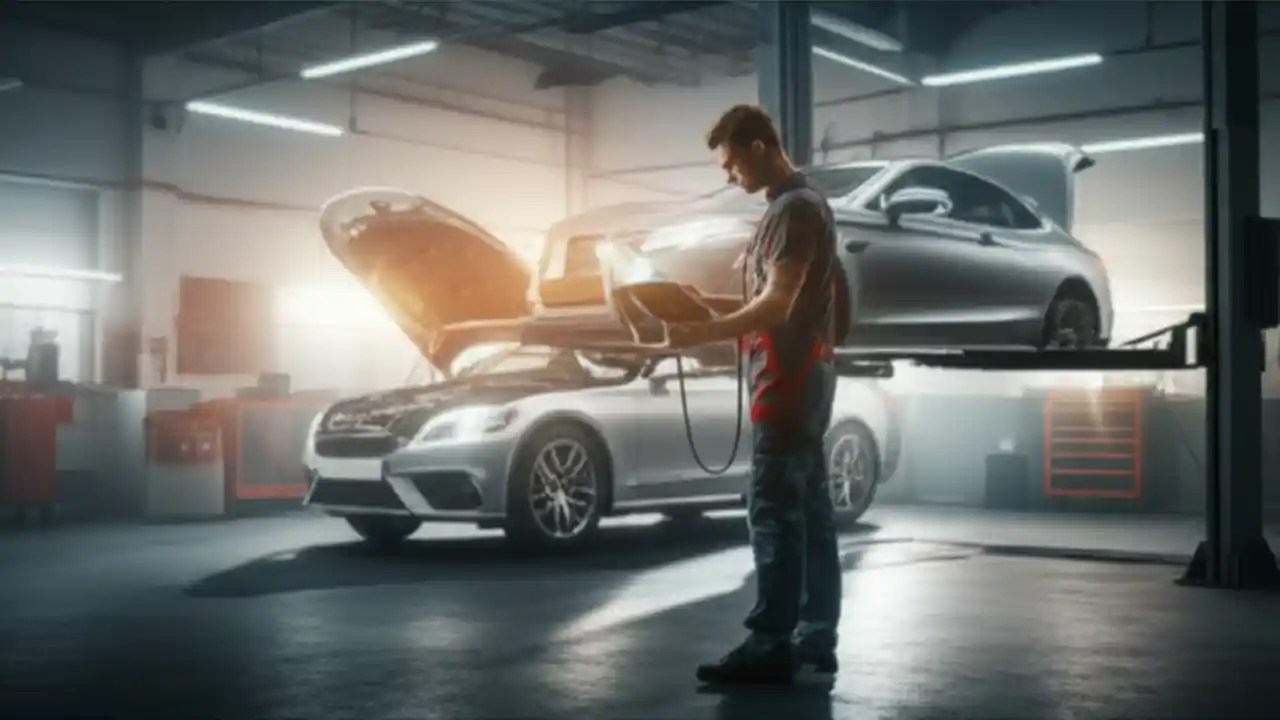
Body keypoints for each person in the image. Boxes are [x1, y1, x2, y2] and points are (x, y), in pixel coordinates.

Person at [666, 104, 844, 685]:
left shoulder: (794, 211)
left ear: (760, 148)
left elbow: (778, 306)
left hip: (788, 382)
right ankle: (814, 635)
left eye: (731, 161)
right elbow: (774, 304)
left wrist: (700, 332)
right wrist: (705, 308)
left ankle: (771, 642)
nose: (728, 174)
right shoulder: (794, 209)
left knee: (771, 511)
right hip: (802, 375)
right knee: (810, 512)